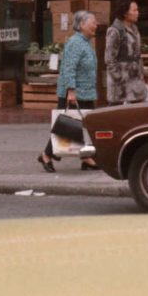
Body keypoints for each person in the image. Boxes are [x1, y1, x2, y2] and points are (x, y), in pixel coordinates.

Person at [38, 9, 99, 173]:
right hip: (75, 93)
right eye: (92, 22)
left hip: (86, 91)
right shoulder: (75, 43)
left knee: (83, 126)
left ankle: (86, 157)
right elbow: (69, 68)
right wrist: (71, 91)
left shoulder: (85, 42)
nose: (96, 25)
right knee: (66, 126)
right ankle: (46, 155)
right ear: (81, 25)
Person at [105, 0, 148, 104]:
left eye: (137, 10)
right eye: (134, 10)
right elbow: (110, 59)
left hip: (136, 84)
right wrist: (119, 77)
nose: (137, 13)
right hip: (121, 88)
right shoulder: (115, 31)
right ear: (125, 13)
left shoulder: (135, 29)